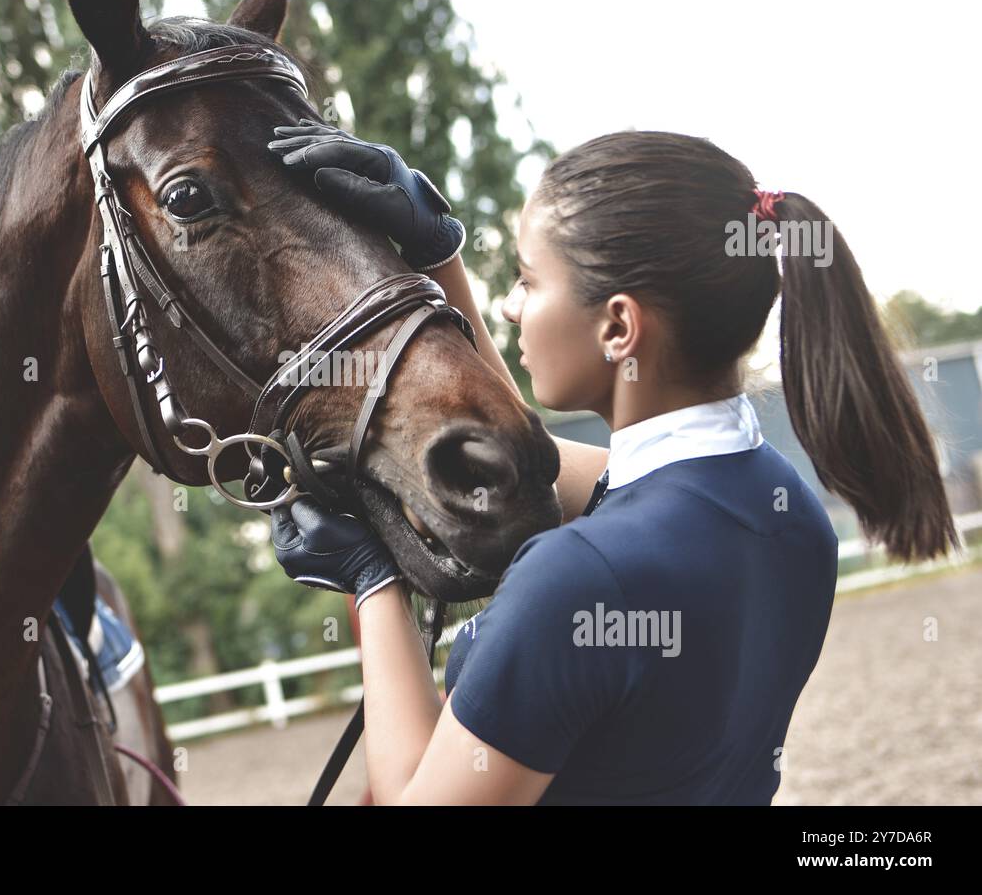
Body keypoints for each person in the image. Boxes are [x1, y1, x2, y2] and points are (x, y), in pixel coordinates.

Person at [263, 123, 958, 804]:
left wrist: (373, 583)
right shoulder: (784, 508)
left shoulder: (577, 580)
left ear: (620, 327)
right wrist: (437, 252)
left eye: (527, 282)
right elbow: (521, 452)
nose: (508, 307)